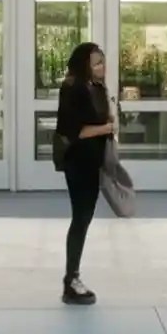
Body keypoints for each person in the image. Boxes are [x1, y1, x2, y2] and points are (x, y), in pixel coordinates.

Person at [54, 42, 113, 305]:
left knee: (84, 217)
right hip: (78, 161)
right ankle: (71, 279)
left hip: (94, 161)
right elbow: (75, 131)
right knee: (80, 218)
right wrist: (109, 127)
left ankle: (73, 276)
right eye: (96, 63)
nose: (102, 67)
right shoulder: (72, 88)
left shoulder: (97, 88)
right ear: (84, 65)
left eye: (103, 61)